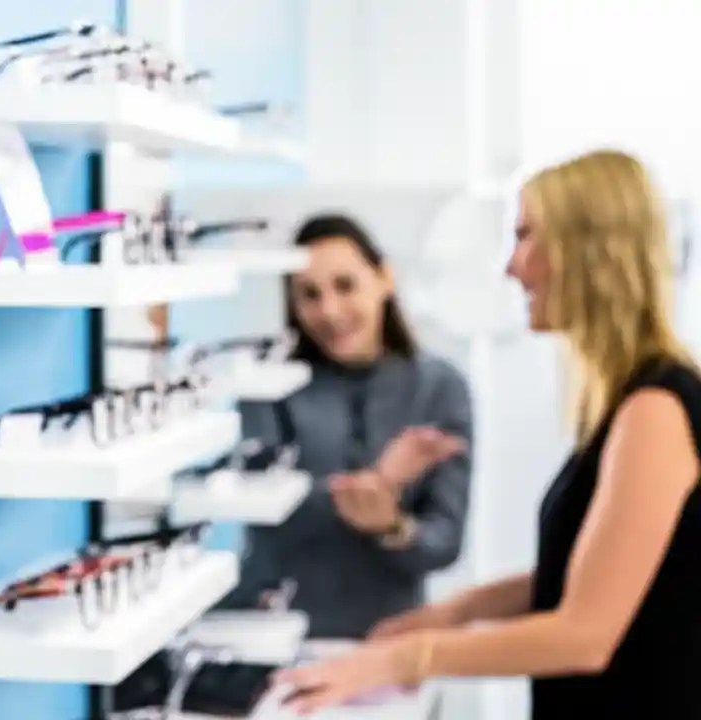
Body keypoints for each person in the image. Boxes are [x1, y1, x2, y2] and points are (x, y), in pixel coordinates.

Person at [275, 150, 701, 718]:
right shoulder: (623, 402)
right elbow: (579, 575)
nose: (512, 267)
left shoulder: (654, 410)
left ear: (589, 250)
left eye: (526, 237)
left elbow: (584, 635)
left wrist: (404, 660)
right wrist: (451, 614)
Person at [221, 213, 472, 639]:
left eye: (345, 286)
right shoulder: (268, 383)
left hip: (388, 641)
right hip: (272, 633)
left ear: (384, 279)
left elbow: (444, 541)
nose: (329, 311)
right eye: (309, 295)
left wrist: (394, 526)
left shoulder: (441, 387)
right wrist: (374, 485)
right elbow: (263, 509)